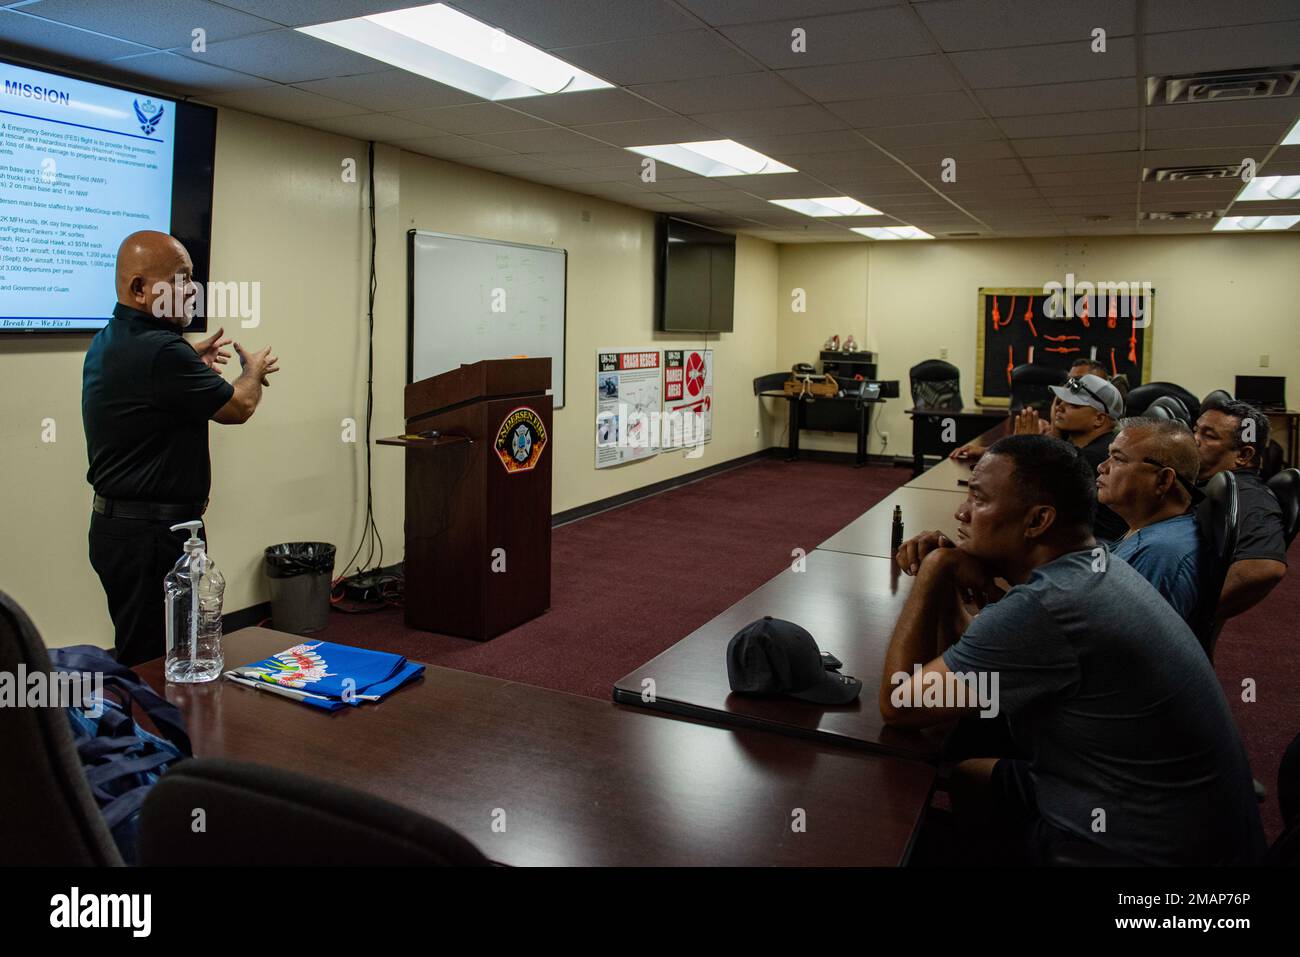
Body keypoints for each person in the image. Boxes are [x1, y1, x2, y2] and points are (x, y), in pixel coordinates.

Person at [881, 434, 1265, 866]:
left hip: (1145, 848)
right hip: (1195, 819)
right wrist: (956, 584)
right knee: (971, 775)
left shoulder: (1049, 606)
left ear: (1037, 520)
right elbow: (985, 662)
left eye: (979, 499)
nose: (961, 513)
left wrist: (934, 571)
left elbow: (902, 705)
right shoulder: (1100, 562)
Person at [83, 231, 281, 666]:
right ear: (139, 289)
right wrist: (253, 370)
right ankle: (155, 732)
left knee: (159, 650)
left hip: (122, 531)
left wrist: (190, 360)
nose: (193, 290)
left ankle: (162, 729)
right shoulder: (161, 352)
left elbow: (150, 382)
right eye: (181, 279)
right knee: (160, 659)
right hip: (150, 537)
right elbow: (239, 406)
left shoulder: (112, 339)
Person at [953, 374, 1127, 542]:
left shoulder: (1094, 457)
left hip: (1096, 548)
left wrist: (1021, 450)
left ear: (1098, 419)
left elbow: (1022, 496)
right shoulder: (1090, 444)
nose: (1059, 407)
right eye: (1061, 401)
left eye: (1073, 405)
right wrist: (990, 451)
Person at [1097, 417, 1204, 624]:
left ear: (1163, 480)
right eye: (1108, 455)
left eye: (1118, 459)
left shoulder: (1160, 554)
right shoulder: (1151, 529)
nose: (1102, 466)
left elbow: (1117, 642)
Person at [1193, 400, 1287, 620]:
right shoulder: (1209, 482)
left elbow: (1265, 568)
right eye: (1196, 430)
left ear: (1243, 455)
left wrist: (1197, 613)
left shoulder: (1248, 496)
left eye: (1209, 436)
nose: (1194, 439)